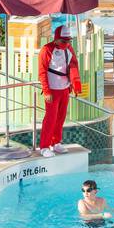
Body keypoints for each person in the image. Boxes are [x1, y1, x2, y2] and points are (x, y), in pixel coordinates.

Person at [37, 24, 81, 157]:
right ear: (56, 38)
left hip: (64, 89)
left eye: (68, 41)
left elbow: (73, 65)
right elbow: (42, 72)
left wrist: (74, 84)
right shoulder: (46, 50)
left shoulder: (69, 49)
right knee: (50, 118)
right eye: (64, 41)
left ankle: (56, 143)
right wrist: (46, 91)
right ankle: (44, 146)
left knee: (61, 117)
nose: (66, 43)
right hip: (52, 90)